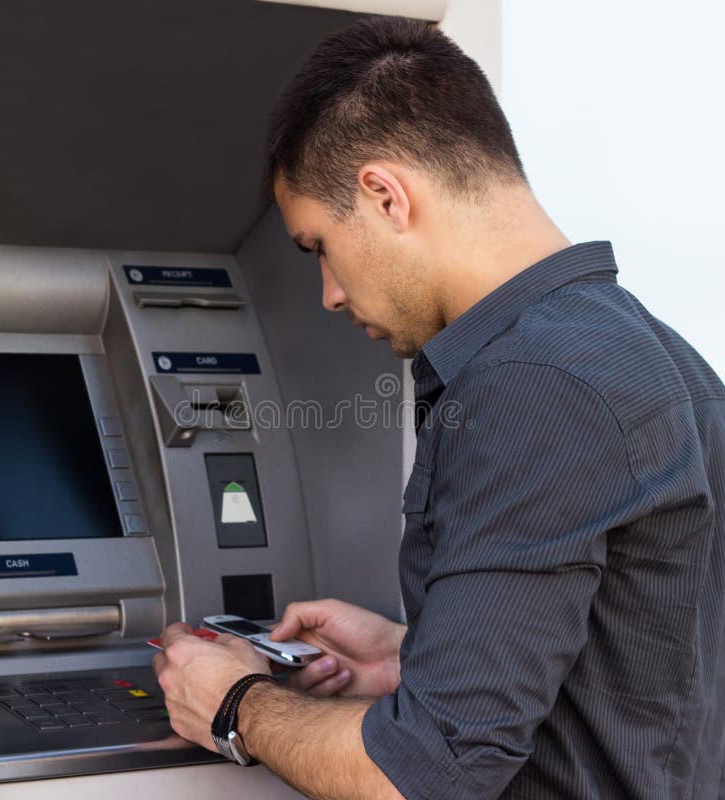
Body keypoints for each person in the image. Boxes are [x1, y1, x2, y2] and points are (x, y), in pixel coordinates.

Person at [152, 16, 725, 799]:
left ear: (385, 195)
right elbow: (643, 673)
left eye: (319, 246)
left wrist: (233, 704)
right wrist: (414, 656)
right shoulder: (664, 359)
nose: (328, 294)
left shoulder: (533, 385)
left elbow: (423, 777)